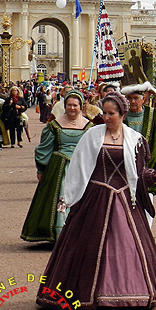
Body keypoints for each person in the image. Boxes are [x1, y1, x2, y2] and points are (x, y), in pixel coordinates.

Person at [36, 92, 156, 310]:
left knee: (129, 245)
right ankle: (88, 294)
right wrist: (70, 198)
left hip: (127, 199)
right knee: (88, 246)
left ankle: (130, 292)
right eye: (105, 113)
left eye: (111, 114)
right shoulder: (92, 136)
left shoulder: (135, 139)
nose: (107, 117)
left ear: (122, 114)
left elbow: (139, 172)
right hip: (96, 198)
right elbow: (79, 169)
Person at [20, 90, 93, 243]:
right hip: (59, 167)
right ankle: (59, 234)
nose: (72, 108)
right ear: (64, 106)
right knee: (60, 198)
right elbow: (44, 149)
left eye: (75, 105)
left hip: (81, 167)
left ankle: (80, 235)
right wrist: (41, 170)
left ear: (81, 106)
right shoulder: (54, 125)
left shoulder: (89, 126)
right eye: (69, 105)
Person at [121, 81, 156, 168]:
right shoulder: (121, 116)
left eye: (136, 98)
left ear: (143, 99)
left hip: (150, 164)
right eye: (129, 98)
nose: (132, 101)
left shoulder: (155, 115)